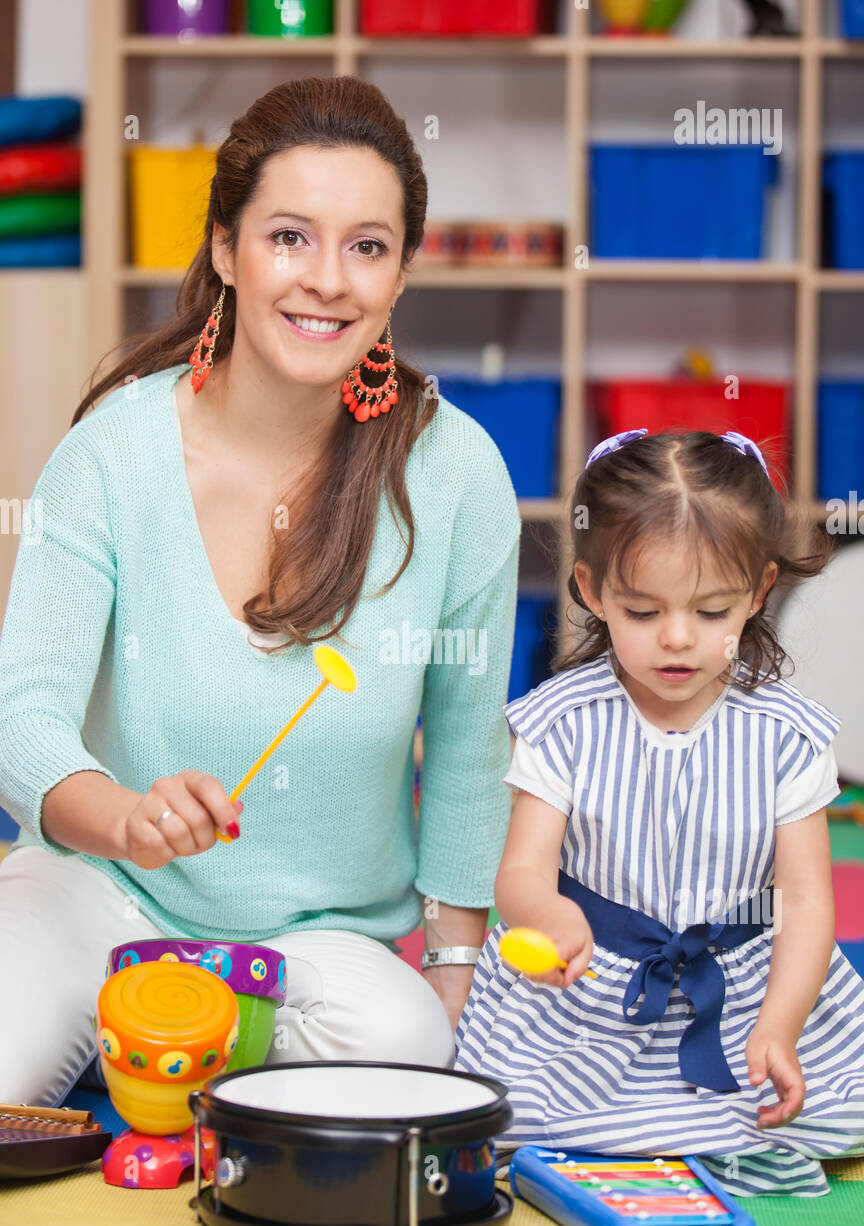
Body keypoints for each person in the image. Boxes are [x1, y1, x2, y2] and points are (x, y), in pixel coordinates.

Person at [0, 76, 520, 1107]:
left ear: (401, 273)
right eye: (289, 237)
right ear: (226, 250)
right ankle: (155, 1040)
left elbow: (469, 751)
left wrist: (455, 982)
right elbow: (24, 716)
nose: (325, 280)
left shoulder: (457, 474)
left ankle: (189, 1052)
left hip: (319, 951)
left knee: (410, 1058)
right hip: (101, 894)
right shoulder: (109, 453)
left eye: (366, 247)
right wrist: (126, 818)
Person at [455, 427, 864, 1197]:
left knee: (829, 1107)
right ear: (591, 591)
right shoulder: (562, 720)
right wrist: (547, 914)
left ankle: (706, 1124)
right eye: (643, 611)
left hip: (745, 986)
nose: (678, 639)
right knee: (511, 1116)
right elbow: (519, 871)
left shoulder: (786, 729)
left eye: (712, 611)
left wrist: (779, 1023)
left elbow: (809, 900)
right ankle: (664, 1136)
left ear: (757, 591)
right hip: (593, 999)